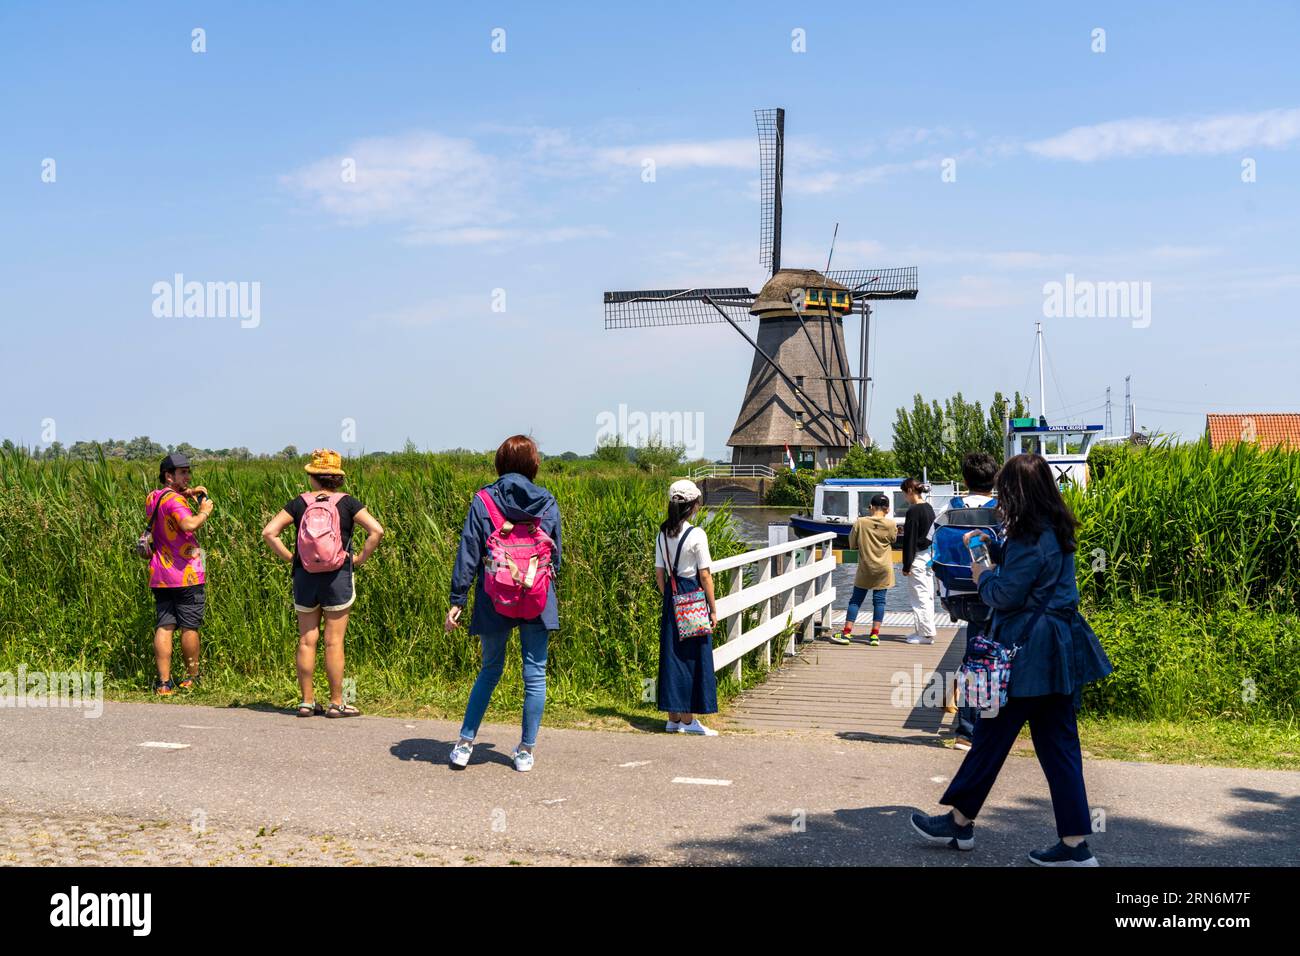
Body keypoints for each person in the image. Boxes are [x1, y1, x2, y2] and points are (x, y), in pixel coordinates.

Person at [910, 453, 1114, 866]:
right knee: (1059, 748)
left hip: (1025, 655)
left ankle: (960, 821)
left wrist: (981, 571)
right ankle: (1075, 845)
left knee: (991, 735)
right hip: (1058, 650)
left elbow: (1005, 595)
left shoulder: (1027, 535)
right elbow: (1036, 574)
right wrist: (997, 550)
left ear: (1017, 492)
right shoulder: (1057, 528)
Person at [446, 435, 562, 772]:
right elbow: (557, 554)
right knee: (535, 674)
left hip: (494, 595)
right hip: (538, 594)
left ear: (499, 463)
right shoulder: (548, 502)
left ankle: (466, 744)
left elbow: (469, 552)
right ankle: (525, 751)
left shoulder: (483, 501)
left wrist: (458, 598)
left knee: (490, 669)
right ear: (533, 465)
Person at [261, 449, 384, 718]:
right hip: (337, 575)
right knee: (334, 641)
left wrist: (291, 557)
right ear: (337, 478)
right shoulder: (348, 503)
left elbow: (269, 532)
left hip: (305, 576)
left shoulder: (299, 503)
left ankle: (306, 701)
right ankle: (337, 703)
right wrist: (360, 558)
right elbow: (377, 530)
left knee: (307, 640)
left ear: (313, 477)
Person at [934, 451, 999, 750]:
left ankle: (971, 728)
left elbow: (929, 544)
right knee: (986, 658)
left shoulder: (950, 509)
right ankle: (972, 728)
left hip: (958, 594)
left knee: (976, 654)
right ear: (995, 479)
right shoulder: (1000, 511)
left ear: (964, 480)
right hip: (992, 595)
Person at [655, 479, 719, 735]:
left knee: (671, 655)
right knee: (693, 656)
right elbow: (705, 575)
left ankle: (673, 718)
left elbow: (659, 574)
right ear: (693, 506)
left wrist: (670, 597)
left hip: (671, 598)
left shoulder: (662, 533)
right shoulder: (697, 535)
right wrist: (712, 609)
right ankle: (689, 719)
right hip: (692, 596)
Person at [146, 452, 214, 695]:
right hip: (186, 573)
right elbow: (188, 525)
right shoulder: (175, 502)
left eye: (188, 471)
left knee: (165, 626)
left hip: (160, 574)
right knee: (189, 627)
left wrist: (189, 491)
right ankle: (191, 678)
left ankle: (163, 683)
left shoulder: (154, 497)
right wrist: (204, 510)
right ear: (169, 475)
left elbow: (170, 503)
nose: (188, 476)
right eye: (182, 472)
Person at [833, 493, 896, 646]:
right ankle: (874, 636)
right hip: (884, 568)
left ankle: (847, 633)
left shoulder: (860, 522)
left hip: (866, 567)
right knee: (879, 601)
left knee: (855, 600)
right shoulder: (891, 524)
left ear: (871, 507)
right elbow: (893, 539)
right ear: (887, 509)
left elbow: (852, 544)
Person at [899, 477, 936, 645]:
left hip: (918, 558)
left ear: (910, 491)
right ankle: (923, 630)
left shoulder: (913, 511)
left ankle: (925, 635)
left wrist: (906, 565)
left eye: (904, 493)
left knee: (919, 596)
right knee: (927, 595)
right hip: (928, 556)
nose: (904, 497)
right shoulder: (929, 508)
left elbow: (910, 540)